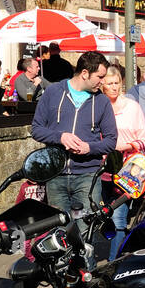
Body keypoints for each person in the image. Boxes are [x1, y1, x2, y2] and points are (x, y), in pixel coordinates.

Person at [31, 51, 117, 219]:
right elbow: (36, 129)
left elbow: (111, 141)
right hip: (55, 175)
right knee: (60, 231)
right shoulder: (53, 92)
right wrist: (60, 137)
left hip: (88, 176)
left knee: (84, 231)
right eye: (100, 77)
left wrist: (89, 147)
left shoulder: (102, 101)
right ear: (84, 73)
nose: (103, 82)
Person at [101, 64, 145, 258]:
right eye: (109, 83)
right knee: (100, 217)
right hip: (101, 172)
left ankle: (114, 261)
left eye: (117, 83)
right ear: (102, 85)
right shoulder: (97, 107)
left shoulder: (132, 107)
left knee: (119, 218)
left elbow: (144, 140)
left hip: (127, 172)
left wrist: (126, 146)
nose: (114, 87)